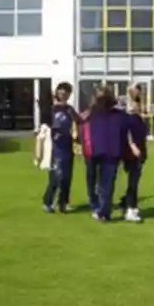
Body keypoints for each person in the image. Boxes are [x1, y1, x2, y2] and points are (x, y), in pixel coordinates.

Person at [85, 87, 132, 222]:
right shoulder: (120, 116)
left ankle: (101, 209)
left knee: (99, 182)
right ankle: (104, 211)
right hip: (112, 152)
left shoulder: (93, 114)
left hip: (98, 150)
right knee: (107, 183)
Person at [42, 82, 85, 214]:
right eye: (62, 91)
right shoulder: (52, 109)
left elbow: (80, 120)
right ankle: (48, 202)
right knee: (56, 175)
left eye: (67, 92)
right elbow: (45, 126)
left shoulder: (69, 109)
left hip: (67, 145)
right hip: (55, 146)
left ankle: (63, 203)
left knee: (67, 176)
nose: (64, 94)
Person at [120, 91, 149, 223]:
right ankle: (130, 208)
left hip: (139, 153)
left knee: (135, 181)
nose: (137, 105)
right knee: (133, 182)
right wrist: (133, 146)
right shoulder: (128, 118)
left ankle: (127, 203)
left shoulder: (139, 119)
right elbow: (127, 134)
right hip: (131, 154)